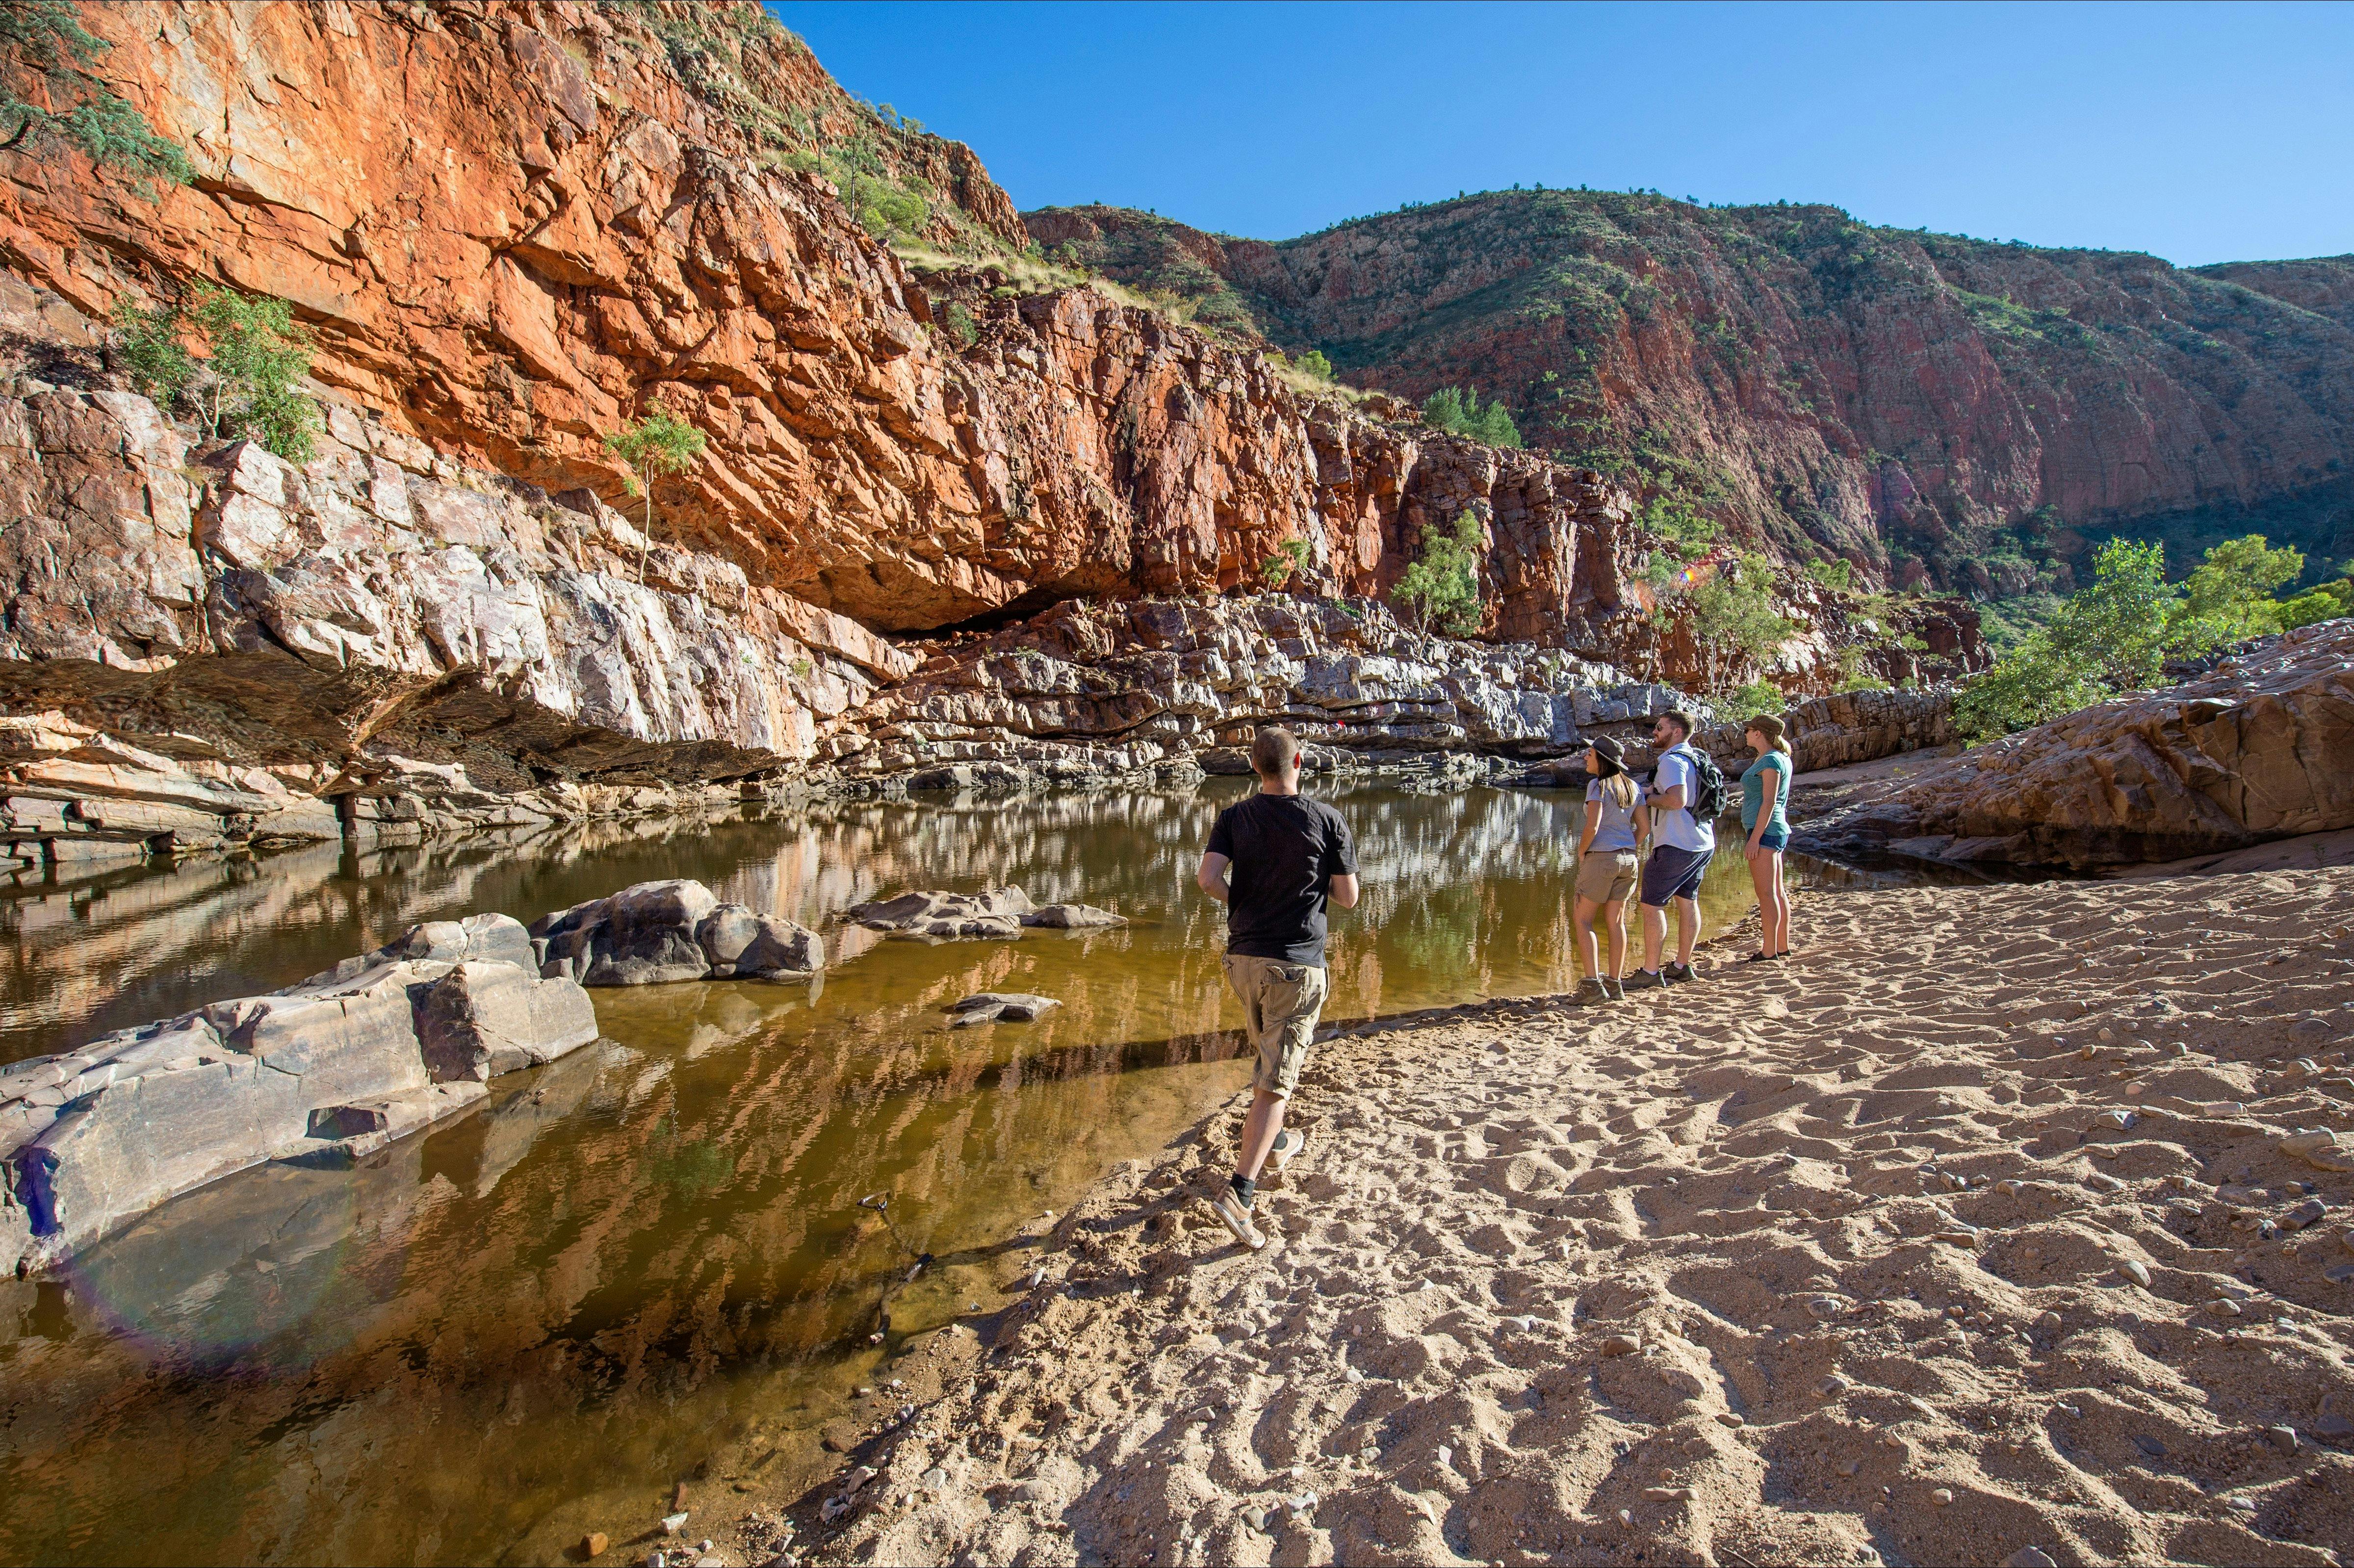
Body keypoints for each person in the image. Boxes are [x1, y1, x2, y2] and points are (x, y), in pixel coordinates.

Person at [1195, 725, 1360, 1250]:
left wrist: (1239, 902)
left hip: (1242, 958)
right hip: (1294, 963)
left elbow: (1206, 879)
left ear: (1253, 766)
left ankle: (1278, 1141)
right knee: (1275, 1083)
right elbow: (1349, 897)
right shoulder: (1327, 819)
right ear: (1300, 761)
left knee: (1270, 1058)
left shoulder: (1232, 817)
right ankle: (1240, 1193)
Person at [1625, 709, 1716, 991]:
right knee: (1688, 901)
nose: (1655, 731)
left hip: (1677, 843)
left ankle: (1651, 972)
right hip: (1702, 841)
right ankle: (1682, 966)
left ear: (1676, 732)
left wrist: (1648, 799)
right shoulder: (1697, 757)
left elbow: (1677, 800)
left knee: (1652, 906)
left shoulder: (1672, 762)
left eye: (1660, 727)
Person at [1569, 735, 1647, 1007]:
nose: (1585, 757)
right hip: (1629, 861)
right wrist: (1626, 847)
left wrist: (1582, 852)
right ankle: (1614, 984)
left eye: (1589, 754)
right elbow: (1645, 829)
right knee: (1616, 922)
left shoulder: (1597, 785)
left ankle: (1592, 985)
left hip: (1602, 859)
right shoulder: (1634, 788)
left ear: (1601, 759)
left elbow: (1593, 825)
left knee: (1583, 920)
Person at [1739, 714, 1794, 962]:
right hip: (1774, 831)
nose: (1746, 733)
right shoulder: (1776, 758)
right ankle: (1782, 947)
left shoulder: (1771, 760)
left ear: (1759, 733)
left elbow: (1769, 802)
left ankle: (1769, 951)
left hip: (1766, 832)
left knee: (1767, 894)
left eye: (1748, 730)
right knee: (1778, 892)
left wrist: (1755, 839)